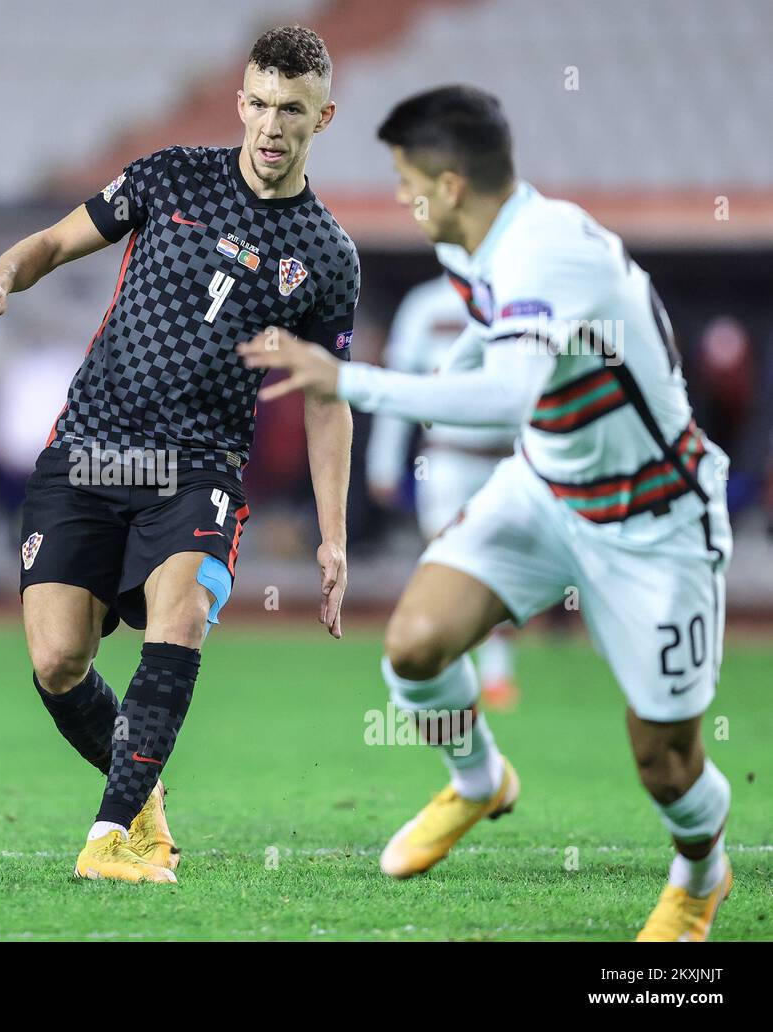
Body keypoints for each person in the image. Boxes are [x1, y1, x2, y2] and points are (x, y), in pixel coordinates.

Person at [239, 85, 733, 940]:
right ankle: (478, 782)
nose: (402, 197)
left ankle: (701, 873)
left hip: (653, 519)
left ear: (453, 183)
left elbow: (509, 394)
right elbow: (489, 340)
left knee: (666, 761)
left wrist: (346, 378)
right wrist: (438, 380)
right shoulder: (483, 243)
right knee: (416, 648)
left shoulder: (545, 255)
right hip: (546, 487)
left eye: (408, 180)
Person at [0, 26, 360, 884]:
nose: (272, 125)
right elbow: (54, 244)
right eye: (260, 104)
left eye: (295, 109)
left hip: (198, 466)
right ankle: (143, 796)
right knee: (60, 662)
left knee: (178, 625)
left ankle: (110, 841)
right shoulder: (168, 175)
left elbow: (325, 400)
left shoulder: (327, 256)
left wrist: (332, 535)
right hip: (92, 450)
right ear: (241, 102)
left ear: (325, 116)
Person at [366, 275, 520, 709]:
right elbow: (400, 382)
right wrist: (384, 459)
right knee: (447, 557)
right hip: (446, 457)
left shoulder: (517, 290)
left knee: (500, 561)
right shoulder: (424, 302)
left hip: (506, 456)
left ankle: (497, 671)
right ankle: (456, 665)